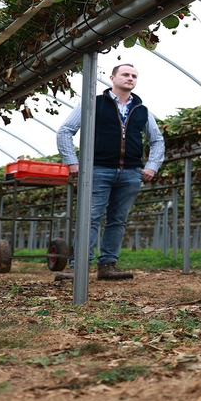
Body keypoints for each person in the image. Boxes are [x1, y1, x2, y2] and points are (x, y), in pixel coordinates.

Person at [56, 63, 165, 281]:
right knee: (90, 217)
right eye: (125, 74)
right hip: (98, 170)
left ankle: (108, 265)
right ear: (112, 77)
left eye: (134, 75)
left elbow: (157, 140)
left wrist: (152, 165)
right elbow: (65, 131)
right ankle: (78, 266)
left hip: (131, 173)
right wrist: (72, 162)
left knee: (118, 220)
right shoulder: (93, 103)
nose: (130, 78)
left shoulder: (143, 110)